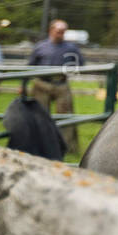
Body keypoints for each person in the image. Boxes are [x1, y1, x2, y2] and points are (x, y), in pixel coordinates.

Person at [26, 18, 85, 154]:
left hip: (61, 83)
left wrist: (70, 69)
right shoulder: (40, 46)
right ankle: (38, 144)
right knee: (39, 114)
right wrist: (24, 83)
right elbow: (31, 65)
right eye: (58, 31)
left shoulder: (71, 48)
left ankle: (66, 146)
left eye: (63, 32)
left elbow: (80, 63)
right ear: (51, 30)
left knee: (65, 115)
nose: (61, 34)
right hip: (42, 83)